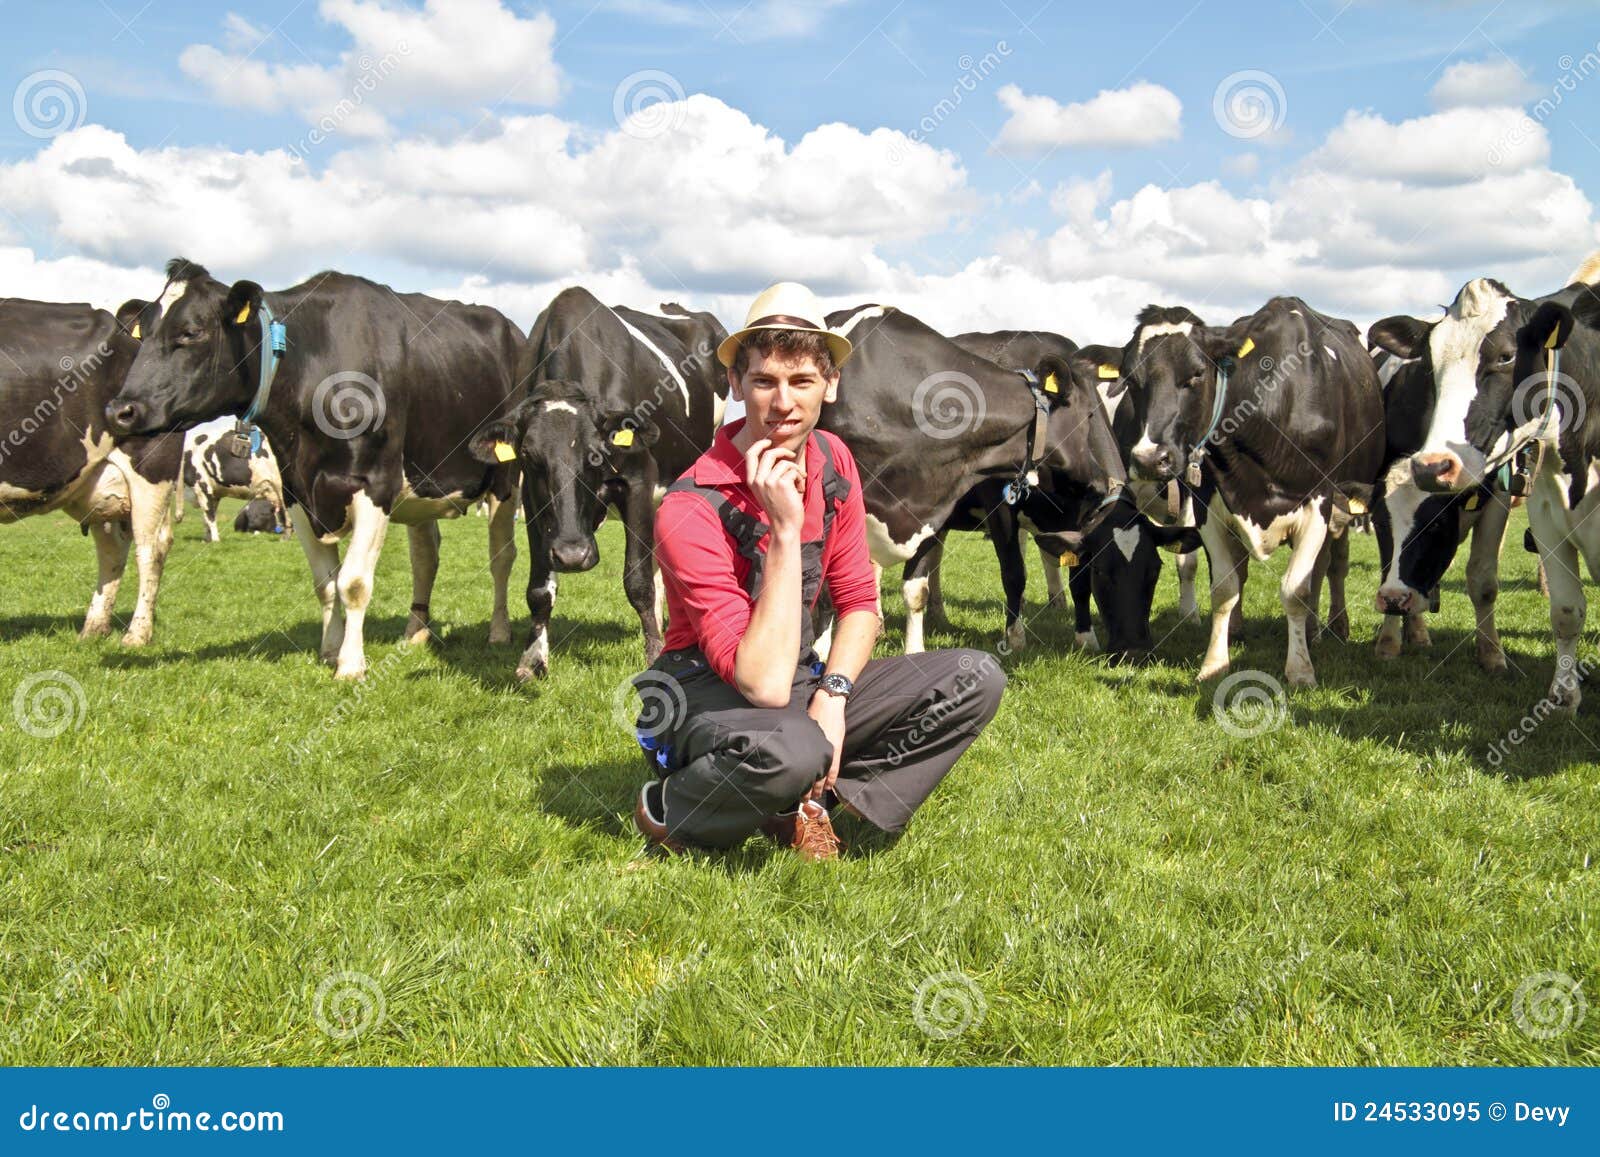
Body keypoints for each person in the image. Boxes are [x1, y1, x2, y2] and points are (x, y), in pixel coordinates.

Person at [631, 282, 1006, 860]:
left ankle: (811, 804)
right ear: (735, 384)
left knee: (975, 676)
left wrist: (833, 696)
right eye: (764, 381)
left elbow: (860, 603)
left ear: (830, 384)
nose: (783, 402)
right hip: (706, 691)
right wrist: (784, 530)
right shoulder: (690, 506)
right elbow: (761, 683)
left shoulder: (833, 460)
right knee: (792, 748)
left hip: (798, 677)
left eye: (802, 381)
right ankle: (672, 805)